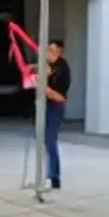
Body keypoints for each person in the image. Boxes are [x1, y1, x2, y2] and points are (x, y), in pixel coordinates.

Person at [43, 39, 70, 190]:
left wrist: (41, 85)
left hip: (55, 107)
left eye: (52, 51)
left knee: (50, 141)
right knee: (47, 142)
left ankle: (52, 176)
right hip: (46, 106)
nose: (49, 53)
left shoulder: (62, 67)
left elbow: (58, 95)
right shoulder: (50, 65)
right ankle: (53, 177)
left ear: (59, 52)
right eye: (48, 50)